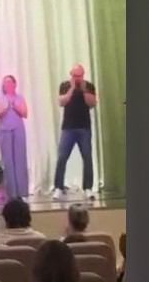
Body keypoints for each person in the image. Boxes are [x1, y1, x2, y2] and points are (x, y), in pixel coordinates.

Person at [52, 64, 97, 200]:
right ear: (71, 75)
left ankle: (88, 188)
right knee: (62, 157)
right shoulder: (65, 85)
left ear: (83, 75)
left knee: (87, 157)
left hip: (84, 128)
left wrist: (84, 90)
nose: (77, 78)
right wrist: (72, 89)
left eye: (79, 76)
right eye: (75, 75)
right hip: (68, 128)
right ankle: (58, 187)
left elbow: (92, 103)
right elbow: (62, 102)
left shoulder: (89, 86)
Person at [0, 75, 30, 200]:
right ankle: (11, 193)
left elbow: (25, 113)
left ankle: (22, 192)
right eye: (5, 83)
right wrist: (5, 109)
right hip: (5, 131)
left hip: (18, 130)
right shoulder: (0, 98)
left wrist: (15, 105)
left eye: (10, 83)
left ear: (15, 84)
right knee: (8, 161)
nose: (8, 85)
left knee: (20, 160)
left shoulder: (20, 98)